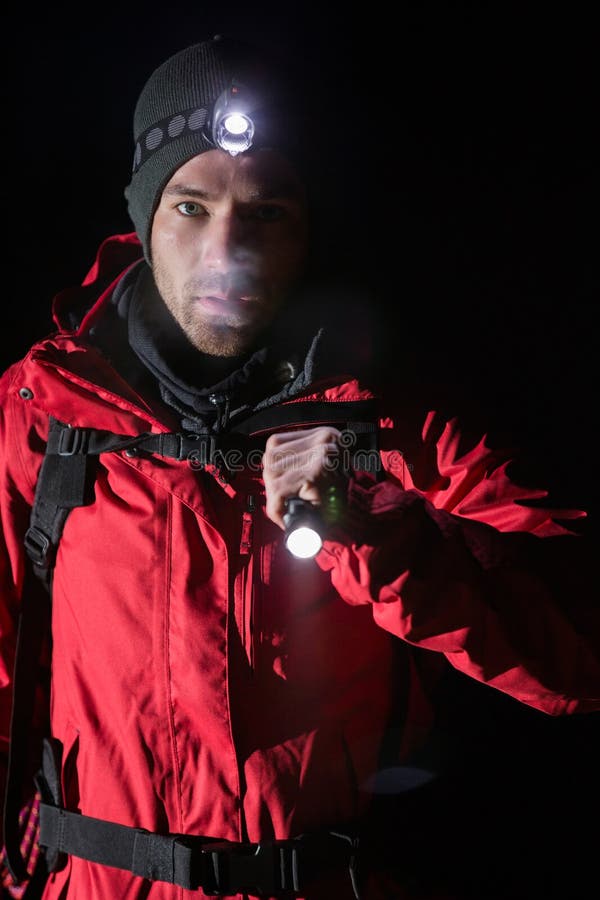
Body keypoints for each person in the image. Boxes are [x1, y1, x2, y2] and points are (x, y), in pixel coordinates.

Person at [0, 33, 598, 900]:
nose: (227, 251)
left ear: (310, 225)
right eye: (192, 207)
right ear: (143, 217)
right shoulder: (44, 416)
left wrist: (381, 540)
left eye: (268, 210)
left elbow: (577, 659)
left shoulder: (396, 421)